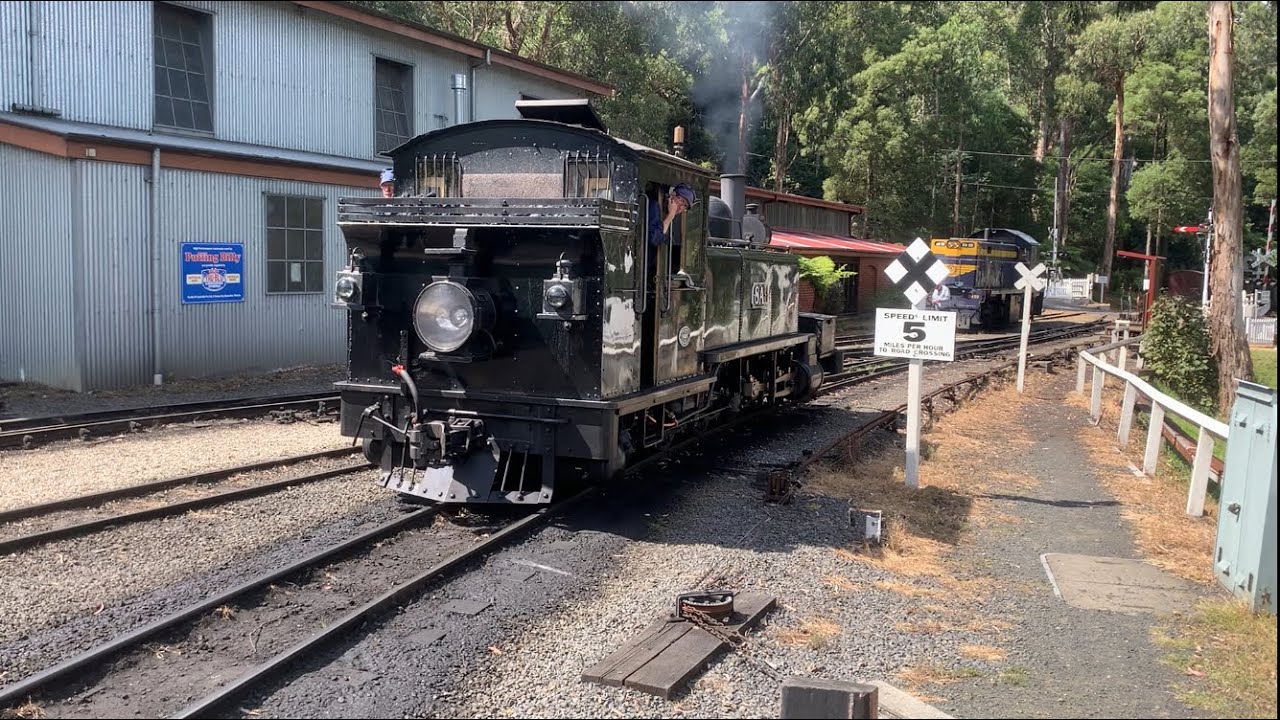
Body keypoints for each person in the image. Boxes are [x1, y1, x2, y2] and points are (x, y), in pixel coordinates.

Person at [647, 183, 695, 280]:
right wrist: (670, 216)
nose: (681, 206)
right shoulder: (654, 206)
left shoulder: (667, 214)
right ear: (672, 195)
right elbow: (654, 239)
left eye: (685, 206)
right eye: (681, 200)